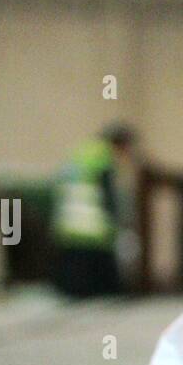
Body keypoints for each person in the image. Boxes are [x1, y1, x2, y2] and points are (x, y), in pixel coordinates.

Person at [51, 124, 137, 299]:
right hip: (93, 231)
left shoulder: (80, 153)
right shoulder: (104, 157)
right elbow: (109, 197)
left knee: (74, 289)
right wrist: (121, 223)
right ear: (121, 144)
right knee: (101, 292)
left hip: (68, 228)